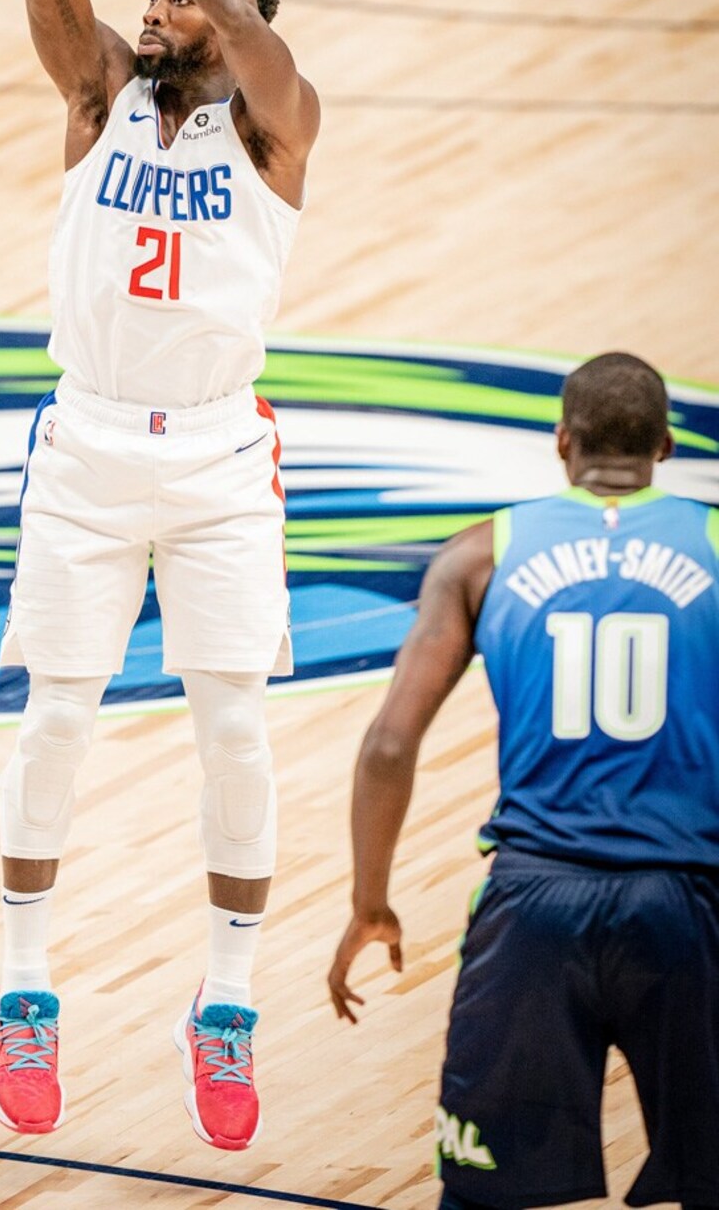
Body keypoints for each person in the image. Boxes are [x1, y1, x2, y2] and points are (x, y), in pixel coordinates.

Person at [0, 0, 320, 1149]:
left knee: (235, 729)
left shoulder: (275, 124)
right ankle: (27, 993)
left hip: (216, 462)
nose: (156, 9)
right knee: (58, 713)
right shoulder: (98, 99)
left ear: (231, 20)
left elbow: (242, 23)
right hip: (86, 450)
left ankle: (225, 1009)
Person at [328, 351, 719, 1210]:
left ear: (561, 442)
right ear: (664, 445)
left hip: (535, 906)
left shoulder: (480, 555)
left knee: (484, 1198)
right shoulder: (716, 544)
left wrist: (371, 902)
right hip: (688, 907)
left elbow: (389, 746)